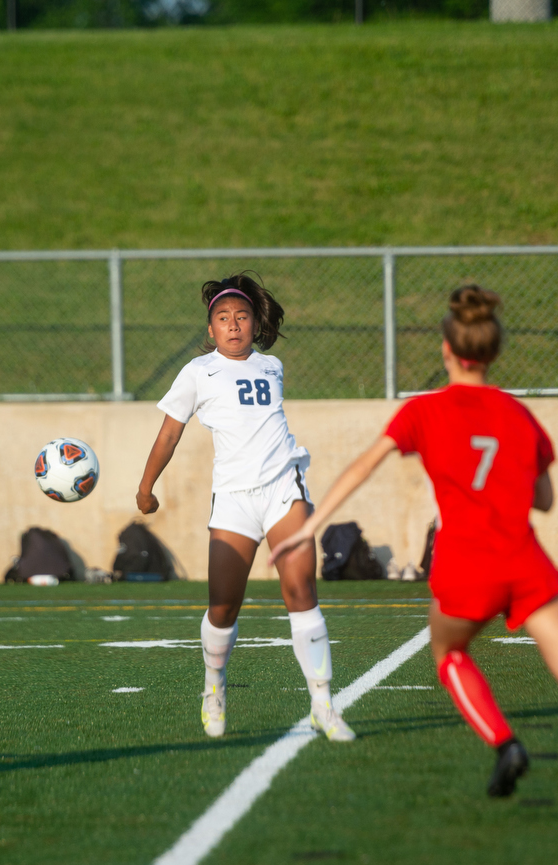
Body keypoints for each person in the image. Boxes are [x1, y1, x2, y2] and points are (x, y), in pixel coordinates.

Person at [269, 286, 558, 831]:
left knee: (449, 652)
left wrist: (308, 528)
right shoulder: (517, 414)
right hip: (527, 563)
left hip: (467, 566)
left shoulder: (425, 410)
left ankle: (506, 745)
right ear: (493, 350)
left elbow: (364, 467)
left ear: (447, 350)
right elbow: (545, 500)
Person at [136, 273, 355, 742]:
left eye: (241, 317)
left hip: (283, 489)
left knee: (301, 592)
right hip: (234, 498)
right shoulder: (197, 372)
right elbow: (170, 433)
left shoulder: (271, 365)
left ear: (255, 324)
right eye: (222, 318)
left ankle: (323, 705)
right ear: (210, 330)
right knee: (223, 607)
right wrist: (146, 486)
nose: (232, 325)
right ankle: (214, 687)